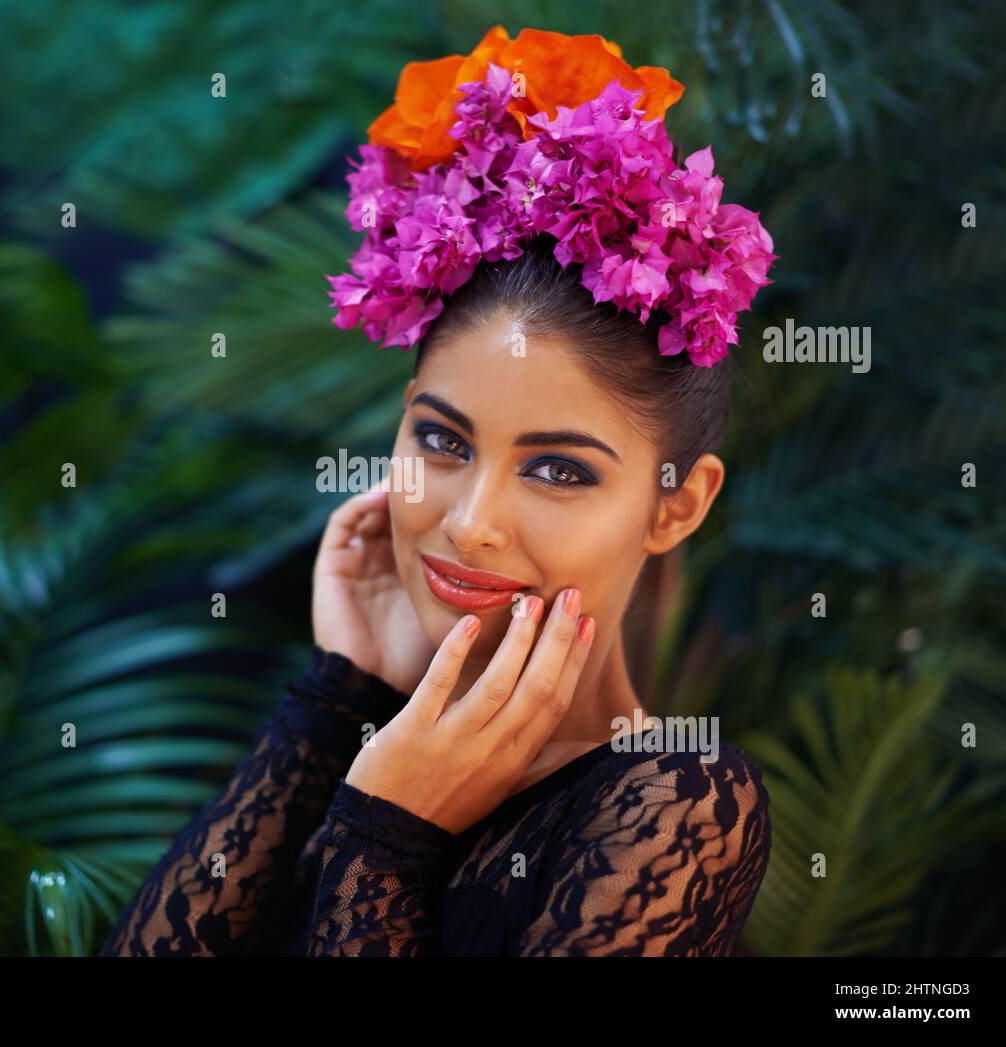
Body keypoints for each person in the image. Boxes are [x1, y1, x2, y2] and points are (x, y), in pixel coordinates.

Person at [102, 25, 775, 957]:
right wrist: (337, 696)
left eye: (558, 468)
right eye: (442, 439)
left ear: (677, 505)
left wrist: (386, 839)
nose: (468, 522)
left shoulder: (678, 806)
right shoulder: (362, 750)